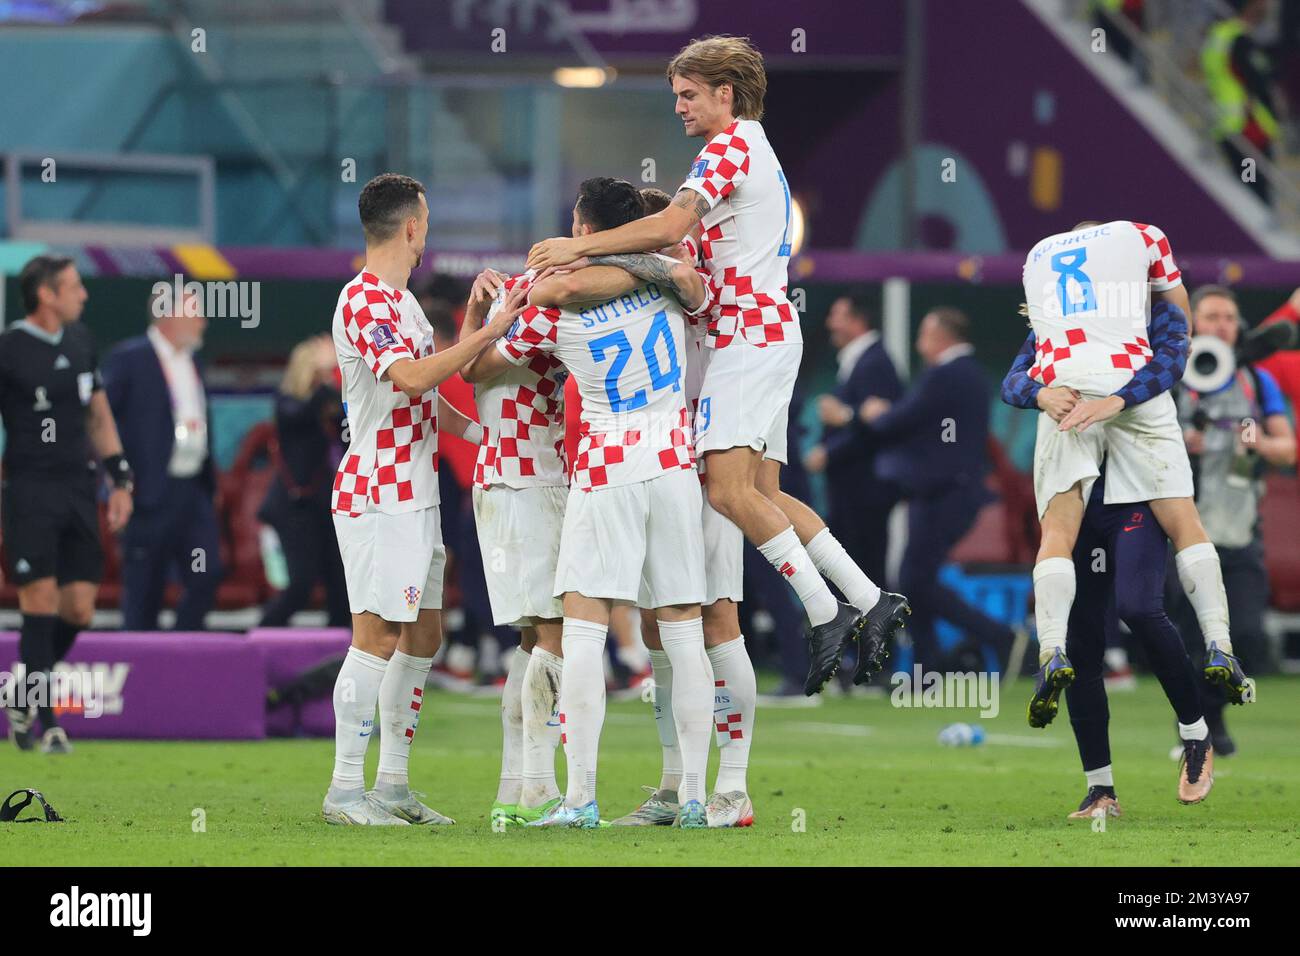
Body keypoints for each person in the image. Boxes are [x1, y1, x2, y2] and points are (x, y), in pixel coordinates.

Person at [525, 36, 910, 697]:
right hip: (761, 334)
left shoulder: (732, 145)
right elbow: (677, 240)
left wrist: (578, 248)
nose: (678, 107)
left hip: (744, 337)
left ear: (725, 95)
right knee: (761, 493)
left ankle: (825, 612)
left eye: (688, 94)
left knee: (727, 492)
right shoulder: (750, 150)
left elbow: (672, 226)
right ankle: (869, 598)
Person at [468, 176, 716, 828]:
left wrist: (524, 290)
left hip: (605, 468)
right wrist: (638, 262)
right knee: (684, 632)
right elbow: (694, 285)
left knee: (582, 631)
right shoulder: (667, 278)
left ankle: (579, 799)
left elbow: (485, 364)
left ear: (583, 229)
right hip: (672, 463)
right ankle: (693, 795)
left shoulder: (555, 309)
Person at [320, 172, 521, 826]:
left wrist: (484, 434)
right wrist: (487, 333)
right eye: (426, 222)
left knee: (424, 633)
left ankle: (393, 785)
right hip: (378, 492)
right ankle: (344, 790)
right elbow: (406, 379)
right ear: (409, 227)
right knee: (376, 634)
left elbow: (430, 397)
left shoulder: (405, 306)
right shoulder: (364, 301)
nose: (426, 233)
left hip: (417, 491)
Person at [1018, 220, 1252, 728]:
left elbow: (1015, 378)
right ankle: (1219, 643)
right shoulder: (1143, 243)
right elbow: (1175, 349)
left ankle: (1050, 652)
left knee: (1056, 532)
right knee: (1183, 520)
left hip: (1068, 387)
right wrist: (1109, 399)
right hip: (1124, 388)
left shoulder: (1043, 271)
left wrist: (1042, 391)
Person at [1004, 294, 1217, 807]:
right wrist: (1041, 394)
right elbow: (1013, 381)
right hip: (1076, 496)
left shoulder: (1144, 321)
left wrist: (1114, 400)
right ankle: (1099, 787)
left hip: (1132, 493)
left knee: (1140, 608)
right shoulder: (1056, 332)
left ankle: (1195, 732)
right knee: (1081, 647)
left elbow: (1169, 366)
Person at [611, 185, 756, 828]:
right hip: (657, 472)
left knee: (717, 620)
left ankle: (733, 784)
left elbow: (682, 278)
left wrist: (593, 251)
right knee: (656, 629)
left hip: (710, 468)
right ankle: (673, 783)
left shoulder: (700, 280)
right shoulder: (639, 293)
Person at [0, 255, 134, 754]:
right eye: (75, 287)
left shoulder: (81, 342)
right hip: (30, 488)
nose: (85, 295)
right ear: (46, 295)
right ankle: (49, 721)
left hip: (79, 486)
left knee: (78, 608)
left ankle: (21, 692)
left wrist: (120, 476)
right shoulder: (9, 349)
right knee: (39, 601)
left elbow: (98, 413)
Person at [459, 265, 569, 827]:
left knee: (532, 639)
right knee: (555, 634)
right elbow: (472, 367)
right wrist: (486, 318)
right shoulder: (551, 312)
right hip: (534, 482)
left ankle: (512, 790)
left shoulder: (516, 304)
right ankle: (538, 791)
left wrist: (480, 314)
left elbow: (469, 369)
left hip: (498, 481)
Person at [1170, 284, 1290, 752]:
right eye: (1212, 315)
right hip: (1182, 530)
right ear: (1193, 322)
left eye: (1229, 317)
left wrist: (1255, 441)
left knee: (1244, 633)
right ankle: (1199, 727)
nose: (1222, 324)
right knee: (1190, 636)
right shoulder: (1171, 374)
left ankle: (1211, 717)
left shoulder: (1256, 382)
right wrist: (1181, 441)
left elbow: (1288, 447)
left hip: (1240, 528)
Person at [860, 308, 1014, 672]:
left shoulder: (946, 375)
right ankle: (927, 663)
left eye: (924, 335)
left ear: (941, 337)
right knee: (915, 580)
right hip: (949, 492)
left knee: (914, 580)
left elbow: (903, 420)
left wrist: (871, 414)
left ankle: (996, 637)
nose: (918, 344)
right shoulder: (970, 375)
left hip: (943, 494)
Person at [102, 287, 221, 631]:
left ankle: (180, 651)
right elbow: (102, 421)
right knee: (144, 589)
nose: (203, 321)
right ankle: (141, 668)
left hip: (192, 490)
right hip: (149, 492)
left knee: (206, 572)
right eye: (195, 312)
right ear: (169, 315)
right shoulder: (129, 358)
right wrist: (119, 479)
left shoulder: (193, 360)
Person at [805, 292, 902, 590]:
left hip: (865, 490)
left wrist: (829, 451)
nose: (830, 323)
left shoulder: (874, 362)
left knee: (864, 572)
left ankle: (877, 636)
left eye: (837, 316)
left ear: (858, 320)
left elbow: (880, 425)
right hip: (854, 489)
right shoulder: (860, 360)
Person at [257, 334, 349, 627]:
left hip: (326, 505)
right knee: (302, 584)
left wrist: (337, 377)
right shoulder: (288, 403)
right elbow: (303, 415)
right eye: (320, 369)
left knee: (340, 582)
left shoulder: (329, 404)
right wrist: (323, 382)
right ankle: (259, 638)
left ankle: (339, 651)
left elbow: (348, 426)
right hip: (293, 508)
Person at [1202, 0, 1280, 204]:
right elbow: (1257, 79)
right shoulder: (1240, 40)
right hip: (1247, 125)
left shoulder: (1218, 35)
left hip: (1225, 121)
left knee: (1244, 186)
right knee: (1256, 190)